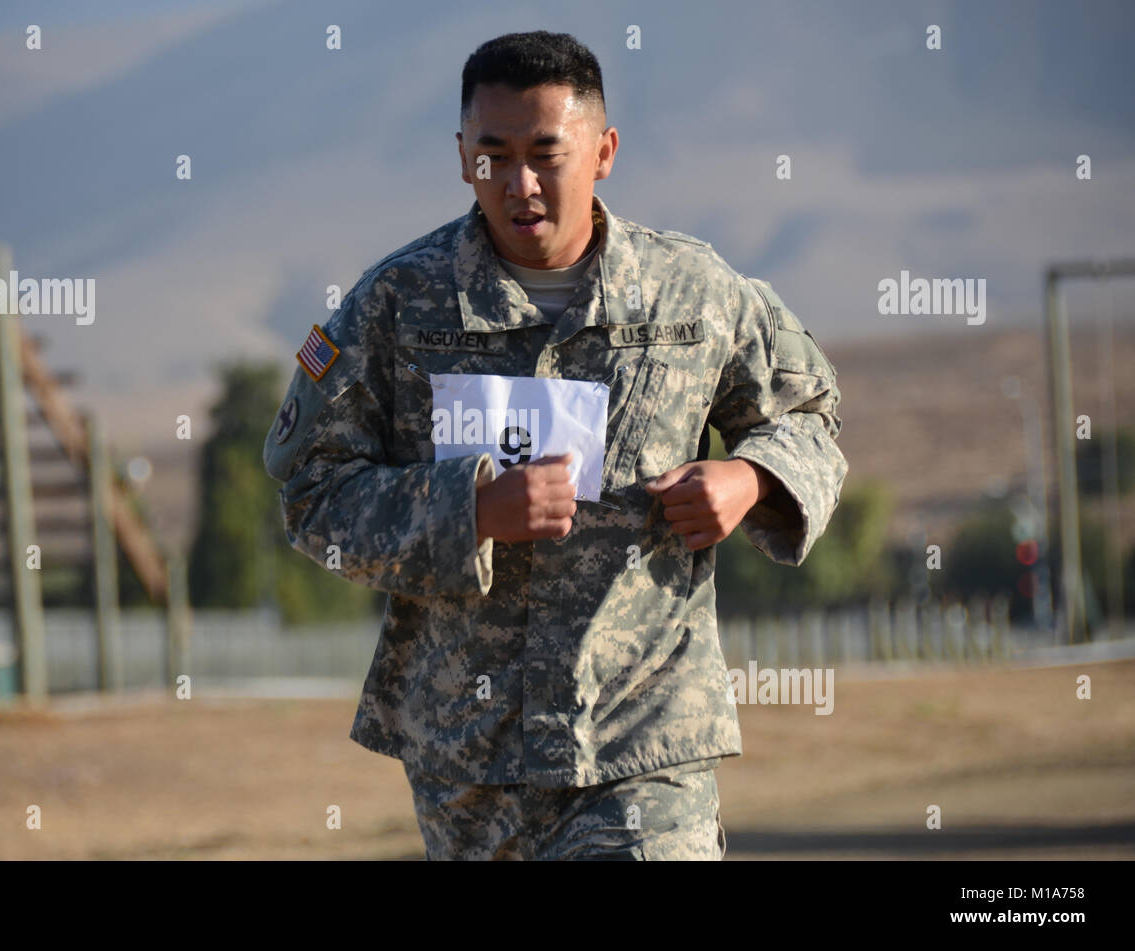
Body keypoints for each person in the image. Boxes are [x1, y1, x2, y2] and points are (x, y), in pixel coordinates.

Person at [264, 30, 847, 860]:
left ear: (604, 151)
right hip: (470, 764)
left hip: (644, 749)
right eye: (492, 155)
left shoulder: (694, 292)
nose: (519, 183)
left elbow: (811, 411)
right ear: (461, 155)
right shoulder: (395, 305)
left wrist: (750, 476)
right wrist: (469, 507)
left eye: (546, 153)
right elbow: (311, 493)